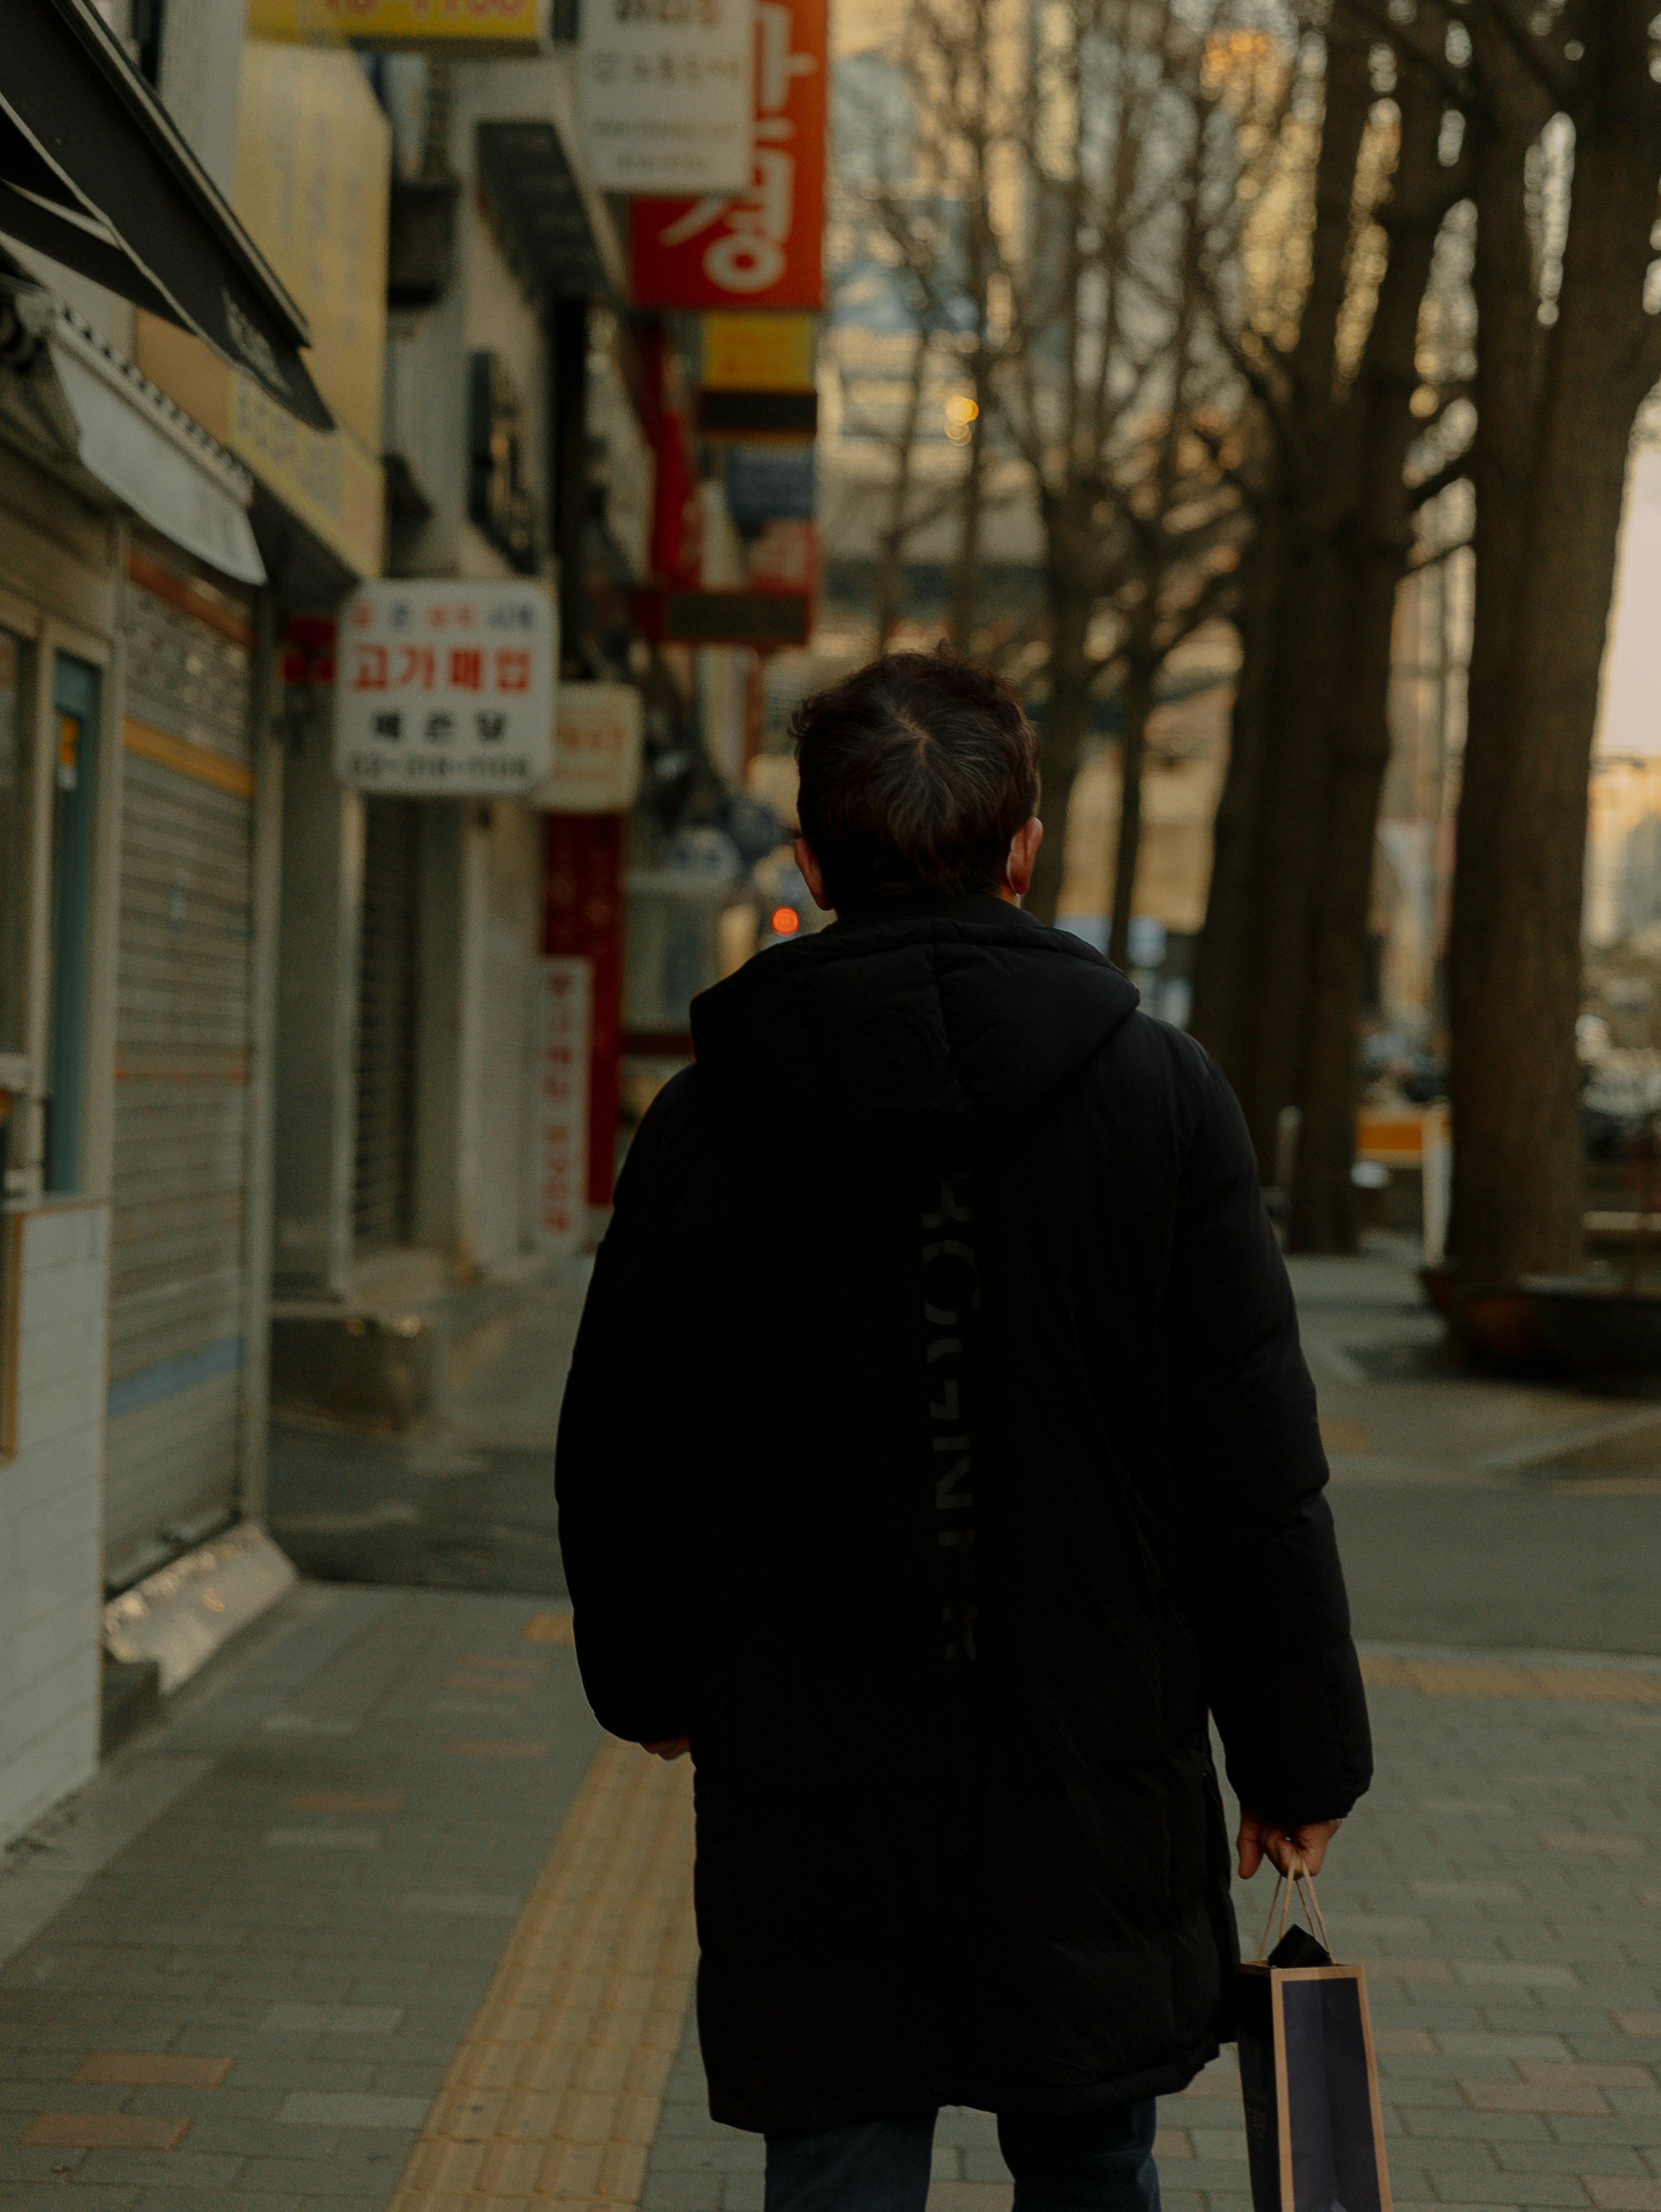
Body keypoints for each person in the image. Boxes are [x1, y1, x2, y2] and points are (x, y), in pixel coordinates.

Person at [556, 650, 1372, 2212]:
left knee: (843, 2140)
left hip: (814, 1748)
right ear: (1026, 846)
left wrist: (650, 1672)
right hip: (1098, 1746)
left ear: (811, 860)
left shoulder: (715, 1119)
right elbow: (1253, 1459)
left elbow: (626, 1437)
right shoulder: (1162, 1097)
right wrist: (1297, 1749)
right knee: (1088, 2143)